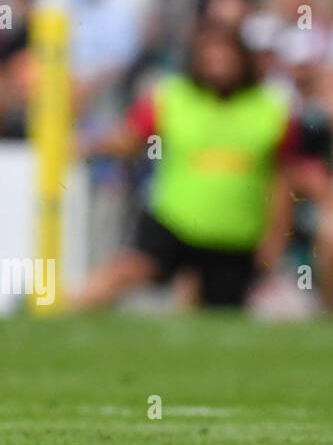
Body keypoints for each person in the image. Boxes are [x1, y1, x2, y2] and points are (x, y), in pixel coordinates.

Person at [73, 22, 303, 310]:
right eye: (212, 54)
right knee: (128, 270)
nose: (220, 64)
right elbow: (127, 140)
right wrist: (83, 142)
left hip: (235, 236)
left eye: (227, 55)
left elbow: (282, 179)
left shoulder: (273, 109)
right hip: (174, 220)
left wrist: (276, 235)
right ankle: (64, 307)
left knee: (218, 313)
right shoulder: (171, 97)